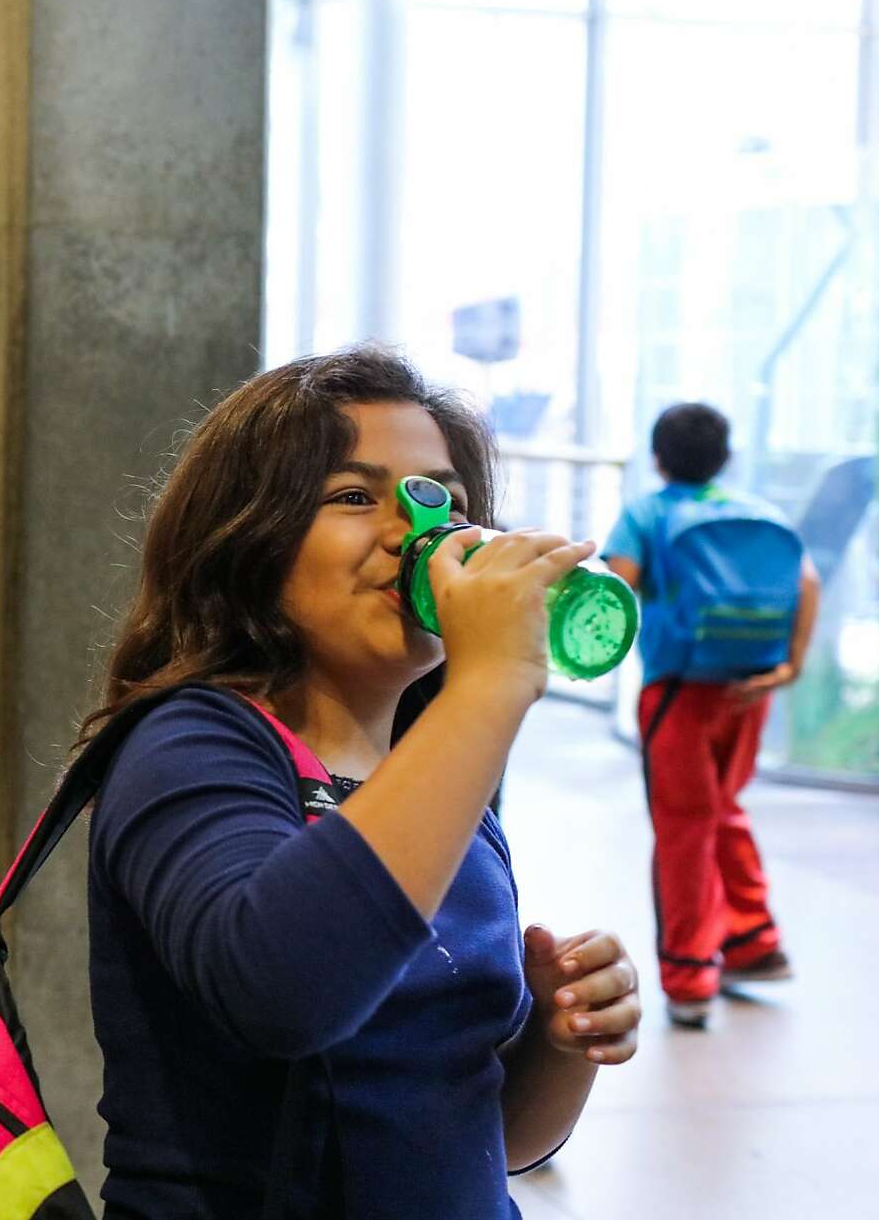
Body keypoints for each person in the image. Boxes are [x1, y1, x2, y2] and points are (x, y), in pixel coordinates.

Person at [81, 345, 640, 1219]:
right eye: (352, 496)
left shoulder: (431, 766)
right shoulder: (191, 742)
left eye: (444, 504)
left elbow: (484, 1135)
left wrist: (561, 1039)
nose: (415, 534)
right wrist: (489, 684)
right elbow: (281, 991)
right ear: (249, 539)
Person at [601, 402, 819, 1027]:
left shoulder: (648, 512)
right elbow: (806, 584)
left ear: (659, 457)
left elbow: (619, 585)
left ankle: (690, 975)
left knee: (684, 826)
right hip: (750, 688)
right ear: (724, 458)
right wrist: (790, 666)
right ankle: (753, 942)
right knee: (723, 808)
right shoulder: (760, 513)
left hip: (678, 688)